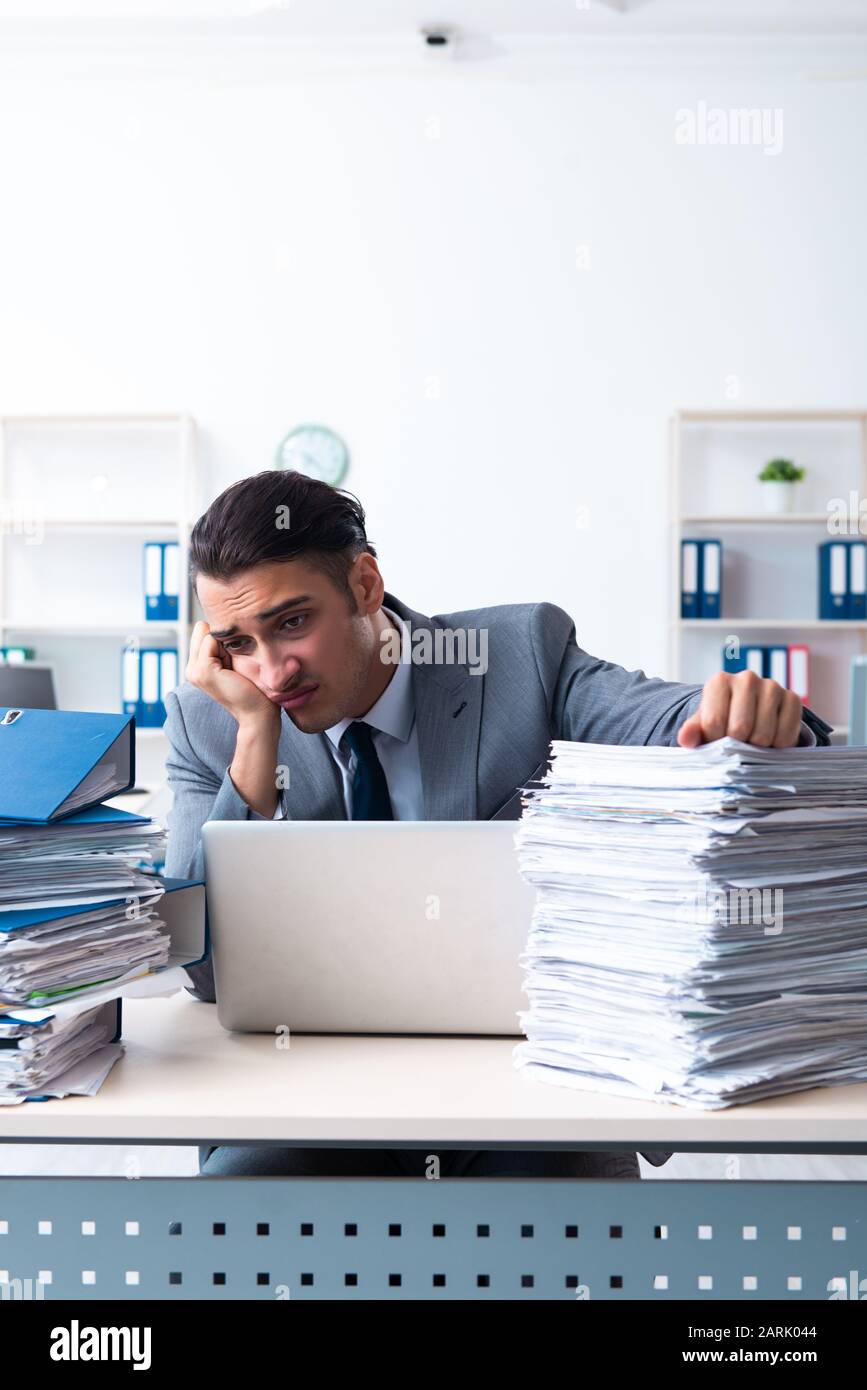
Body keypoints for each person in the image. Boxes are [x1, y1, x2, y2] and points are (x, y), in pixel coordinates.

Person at [163, 470, 832, 1180]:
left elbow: (658, 718)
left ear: (363, 585)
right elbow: (201, 970)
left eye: (292, 622)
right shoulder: (214, 722)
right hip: (306, 1095)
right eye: (236, 642)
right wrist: (254, 749)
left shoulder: (518, 657)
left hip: (531, 1088)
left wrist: (739, 716)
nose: (269, 671)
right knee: (228, 1231)